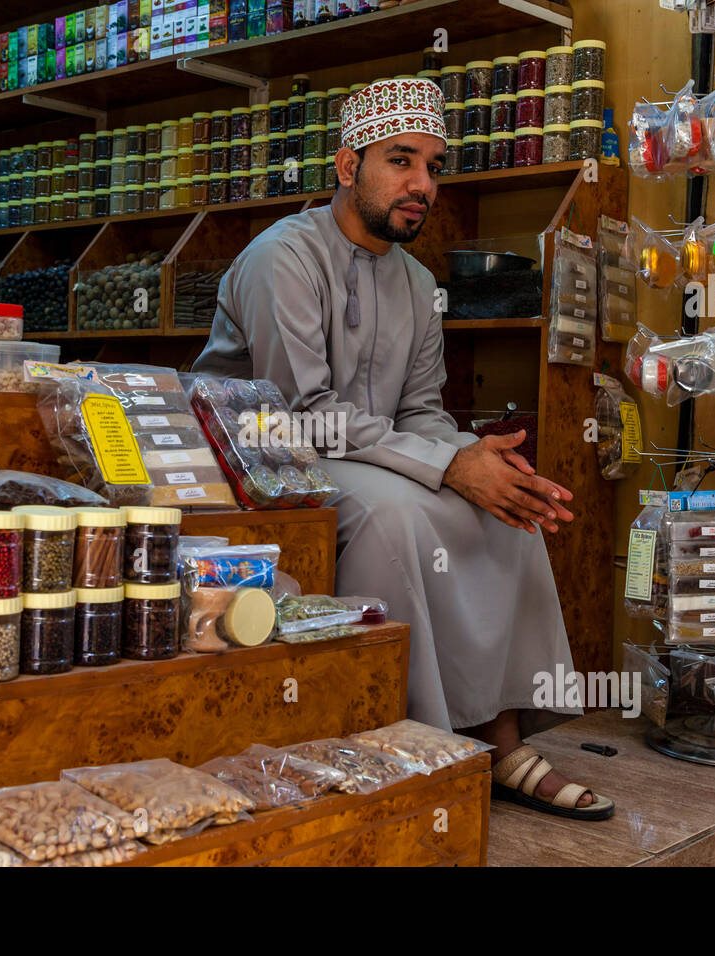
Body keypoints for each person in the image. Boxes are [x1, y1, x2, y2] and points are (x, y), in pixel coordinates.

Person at [192, 78, 613, 820]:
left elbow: (420, 410)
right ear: (347, 166)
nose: (423, 185)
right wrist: (447, 464)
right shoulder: (281, 257)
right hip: (263, 457)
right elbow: (301, 413)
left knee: (507, 507)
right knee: (398, 516)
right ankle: (407, 742)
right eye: (402, 161)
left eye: (433, 167)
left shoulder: (419, 283)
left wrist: (478, 461)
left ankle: (502, 733)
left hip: (364, 451)